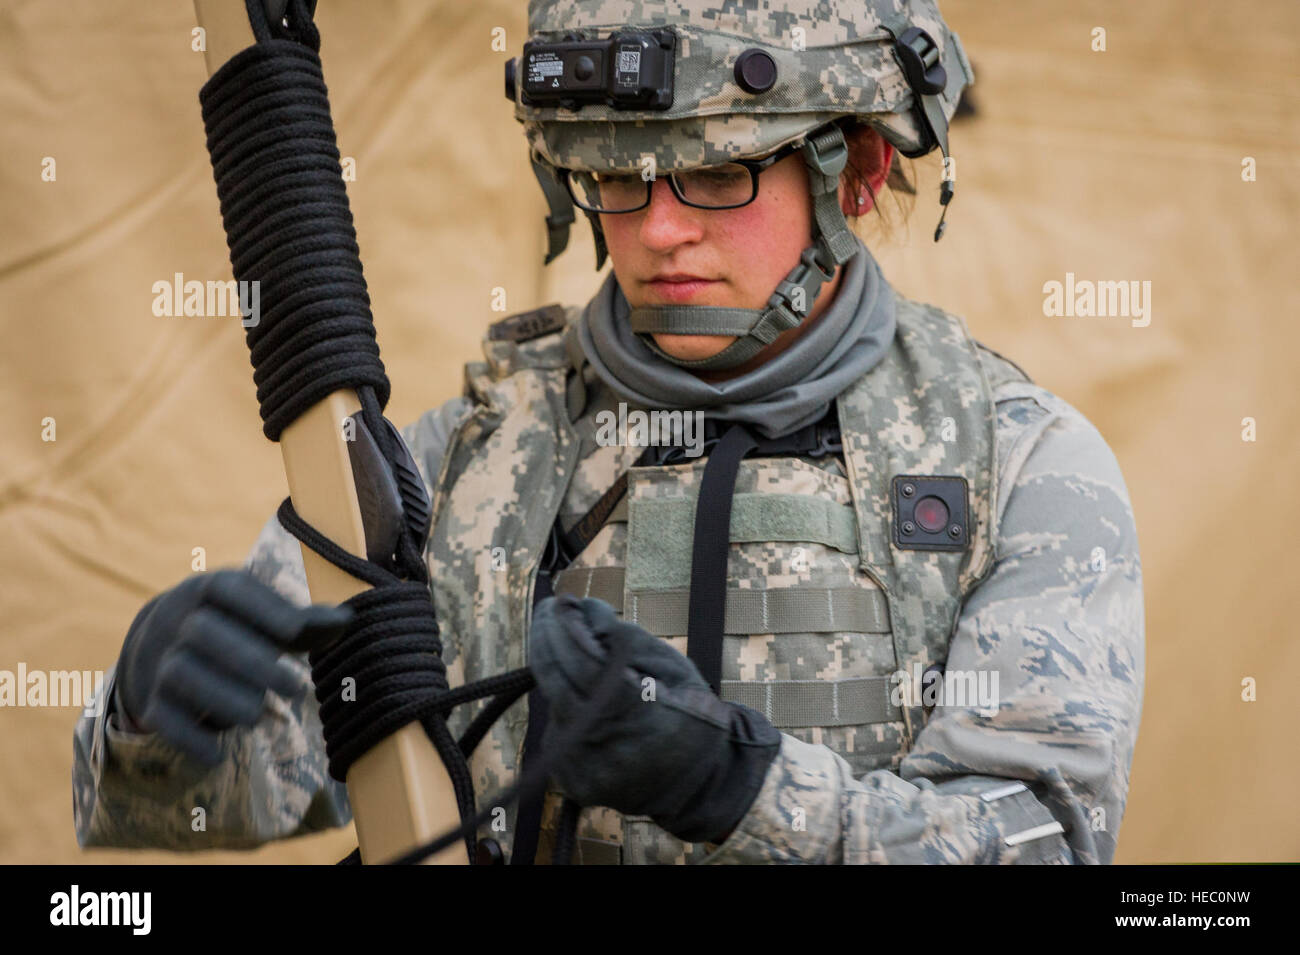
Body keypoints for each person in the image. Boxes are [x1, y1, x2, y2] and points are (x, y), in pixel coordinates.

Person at [73, 0, 1144, 864]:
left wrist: (736, 787)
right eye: (616, 179)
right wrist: (152, 719)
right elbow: (206, 809)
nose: (658, 228)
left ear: (851, 167)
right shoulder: (451, 468)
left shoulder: (1011, 463)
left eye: (717, 173)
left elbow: (1040, 844)